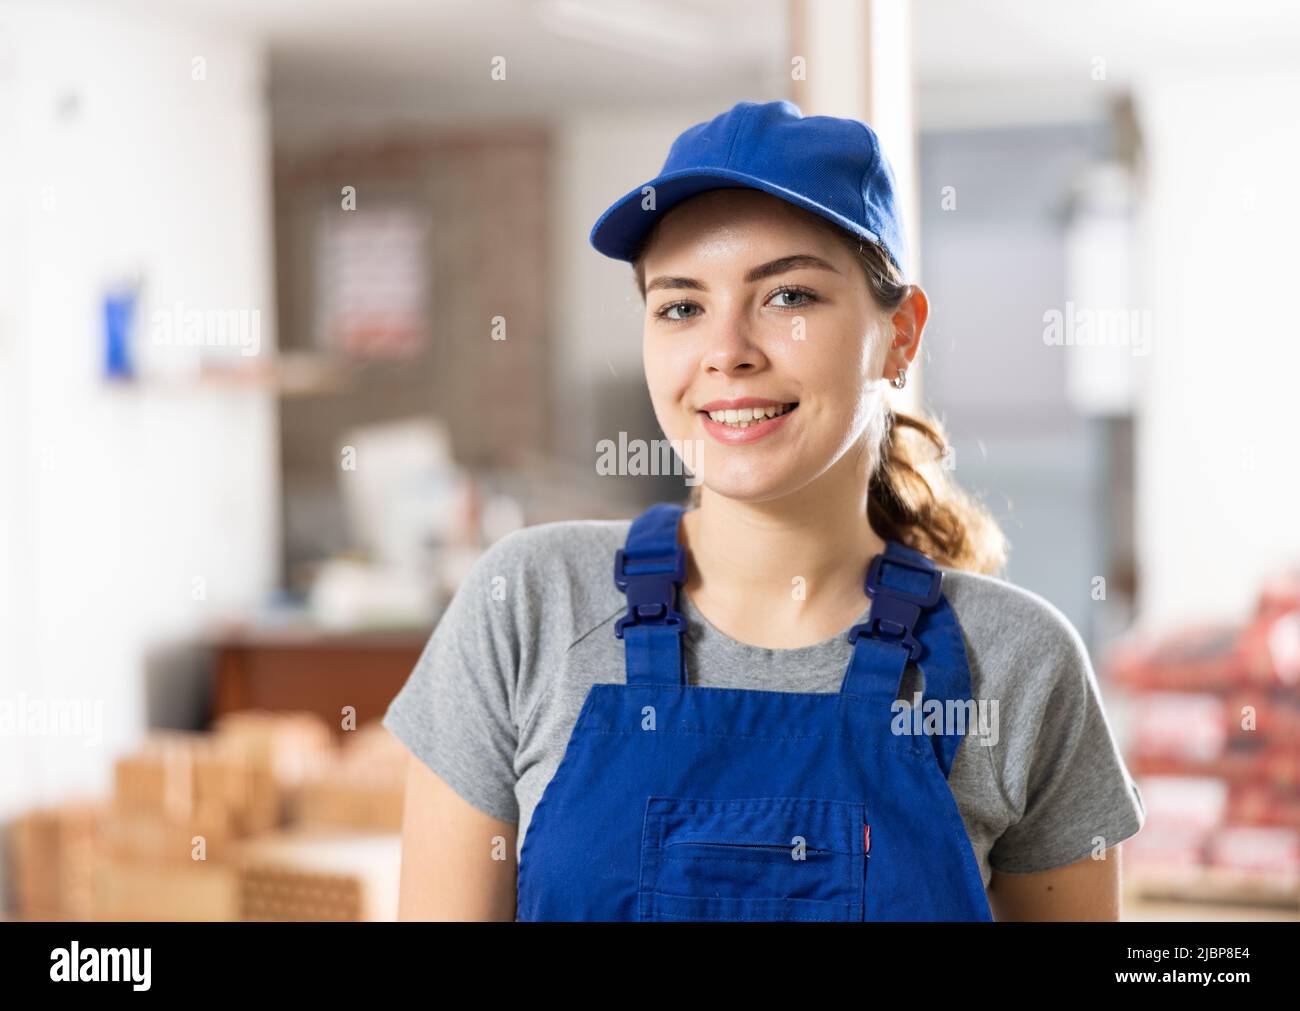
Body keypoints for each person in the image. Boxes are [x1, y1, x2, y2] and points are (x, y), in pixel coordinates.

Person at [384, 100, 1146, 921]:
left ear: (900, 334)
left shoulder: (1021, 666)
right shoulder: (526, 608)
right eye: (681, 306)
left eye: (788, 296)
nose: (728, 350)